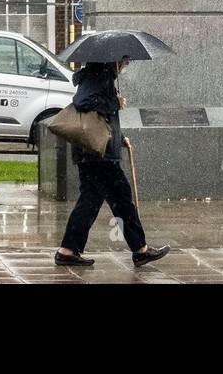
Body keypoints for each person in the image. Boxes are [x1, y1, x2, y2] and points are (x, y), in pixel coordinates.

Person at [56, 58, 170, 267]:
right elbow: (82, 102)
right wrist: (113, 103)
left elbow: (101, 119)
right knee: (122, 199)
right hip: (99, 155)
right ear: (113, 60)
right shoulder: (99, 75)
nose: (126, 65)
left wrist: (121, 136)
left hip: (93, 152)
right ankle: (140, 249)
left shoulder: (99, 76)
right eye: (125, 61)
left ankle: (67, 250)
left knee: (89, 203)